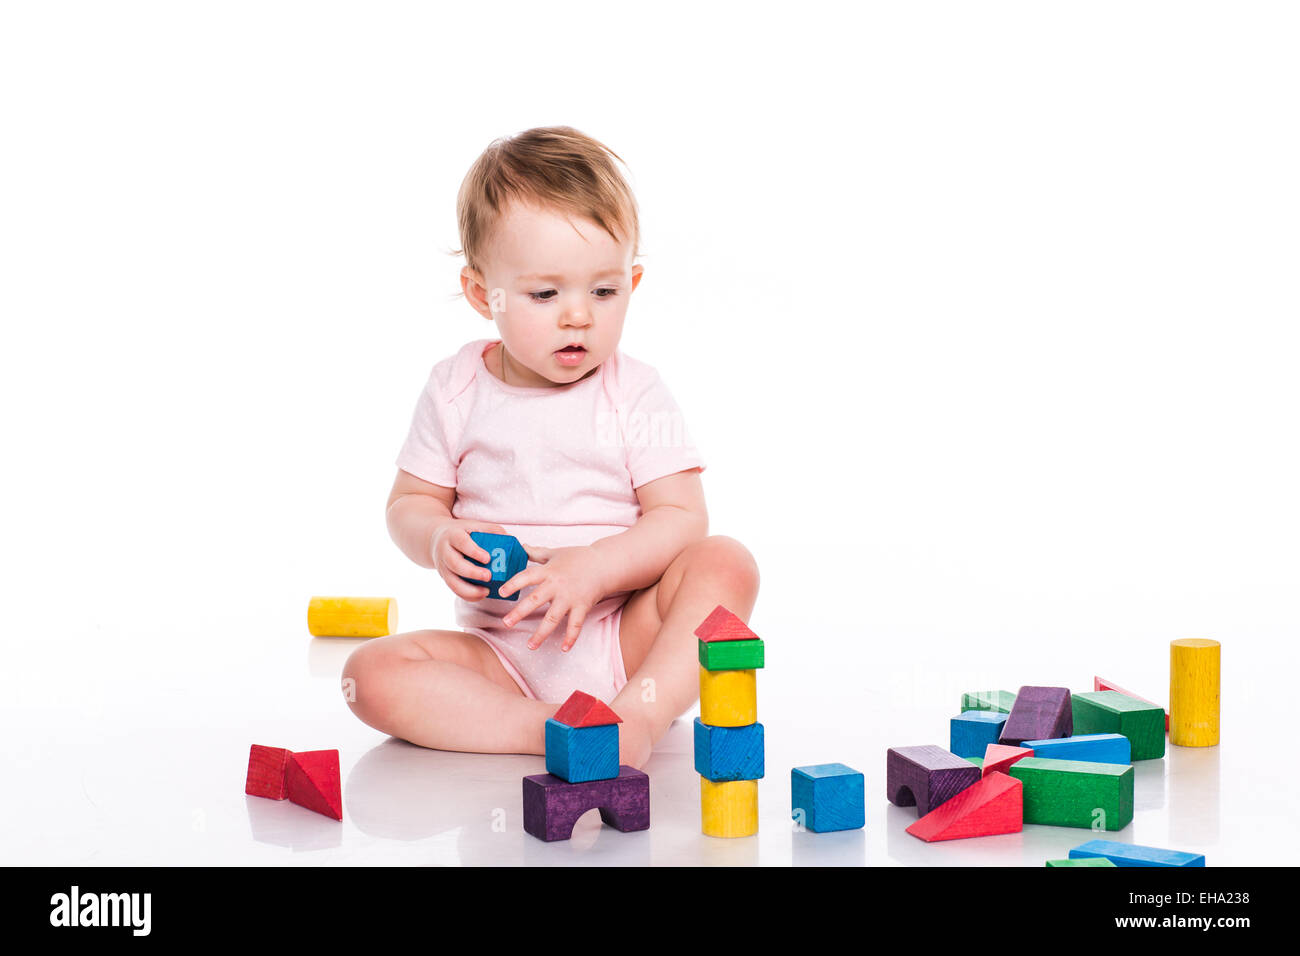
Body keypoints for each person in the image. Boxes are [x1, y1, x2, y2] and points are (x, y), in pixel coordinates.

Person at [342, 126, 760, 768]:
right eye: (545, 293)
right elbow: (409, 502)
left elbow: (681, 518)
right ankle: (548, 727)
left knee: (726, 562)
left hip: (626, 638)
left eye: (603, 290)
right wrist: (433, 538)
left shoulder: (635, 391)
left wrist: (592, 568)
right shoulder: (456, 389)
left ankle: (636, 716)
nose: (579, 316)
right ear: (485, 293)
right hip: (502, 653)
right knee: (370, 674)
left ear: (633, 281)